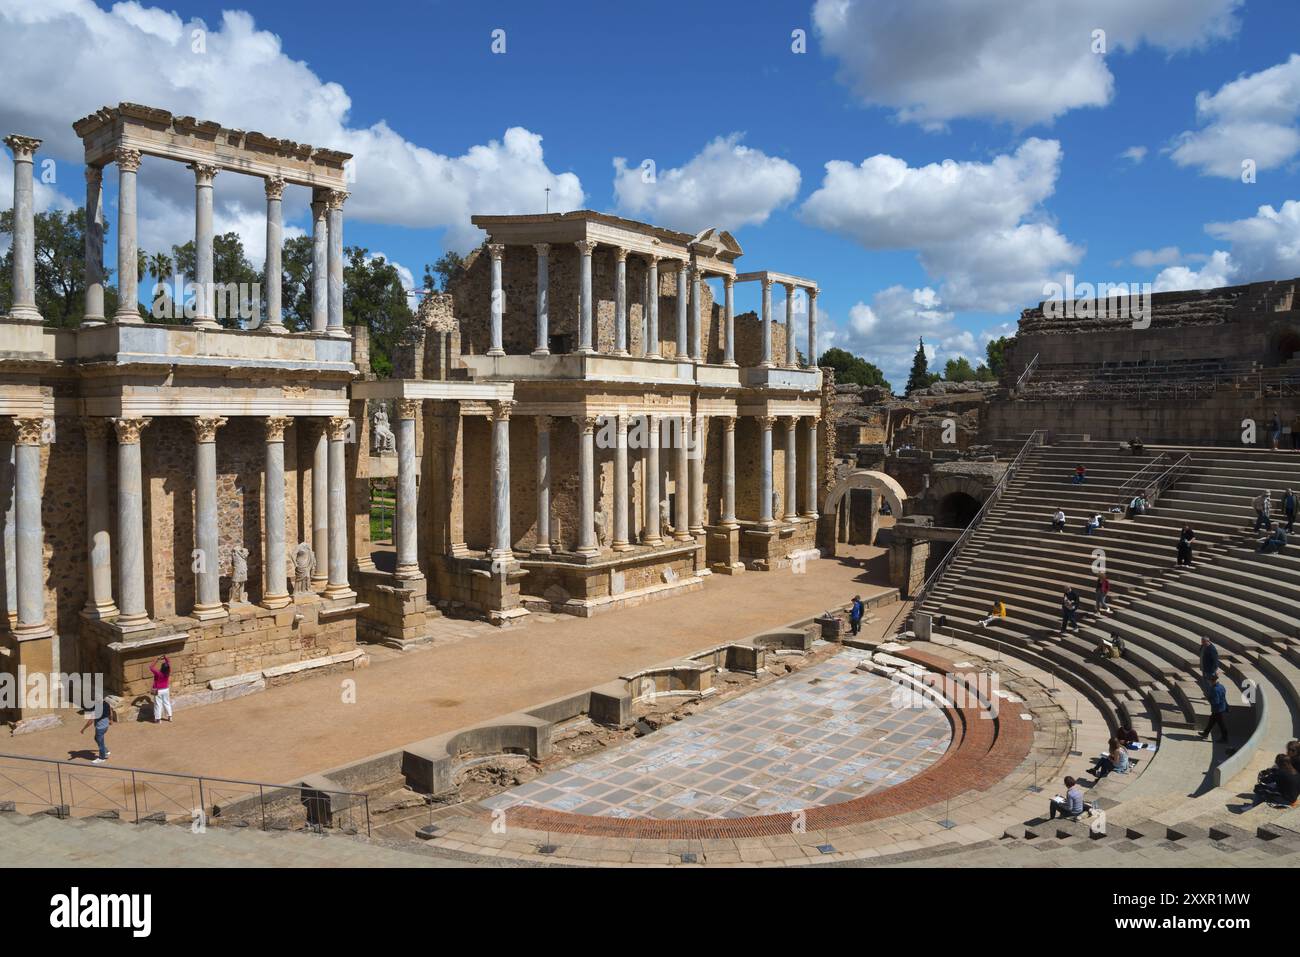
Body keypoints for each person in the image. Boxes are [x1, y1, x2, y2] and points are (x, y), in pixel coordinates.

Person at [1198, 673, 1231, 748]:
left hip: (1217, 709)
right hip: (1222, 707)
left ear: (1211, 681)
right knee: (1211, 721)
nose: (1208, 682)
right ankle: (1205, 733)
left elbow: (1215, 701)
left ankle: (1225, 738)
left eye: (1209, 681)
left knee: (1221, 724)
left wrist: (1208, 698)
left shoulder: (1214, 689)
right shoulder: (1221, 686)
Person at [80, 697, 113, 764]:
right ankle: (106, 751)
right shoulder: (106, 704)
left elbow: (91, 721)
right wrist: (111, 719)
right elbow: (111, 711)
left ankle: (102, 758)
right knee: (96, 738)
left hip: (100, 728)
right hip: (106, 726)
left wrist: (83, 729)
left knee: (100, 743)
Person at [150, 655, 173, 723]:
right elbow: (168, 662)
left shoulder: (158, 673)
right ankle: (170, 717)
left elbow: (151, 667)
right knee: (167, 702)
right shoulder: (168, 673)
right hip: (166, 689)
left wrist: (157, 660)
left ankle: (158, 719)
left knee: (158, 704)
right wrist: (165, 657)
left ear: (162, 668)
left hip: (158, 690)